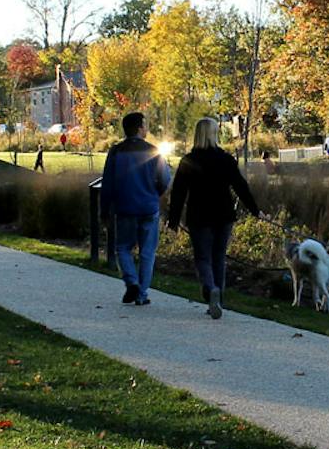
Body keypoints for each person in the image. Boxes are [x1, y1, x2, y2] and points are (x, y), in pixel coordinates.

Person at [166, 117, 261, 319]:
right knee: (218, 257)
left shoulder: (188, 161)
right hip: (223, 214)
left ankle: (210, 290)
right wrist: (255, 210)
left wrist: (173, 219)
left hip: (199, 215)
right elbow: (240, 186)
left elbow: (178, 193)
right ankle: (219, 298)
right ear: (215, 134)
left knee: (202, 257)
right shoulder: (226, 159)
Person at [100, 112, 170, 305]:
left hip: (125, 207)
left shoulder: (116, 152)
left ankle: (131, 281)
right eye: (145, 125)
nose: (146, 128)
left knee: (122, 248)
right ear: (139, 128)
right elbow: (165, 179)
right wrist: (155, 193)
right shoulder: (153, 151)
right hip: (148, 207)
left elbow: (108, 183)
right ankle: (141, 294)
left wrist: (104, 210)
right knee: (147, 252)